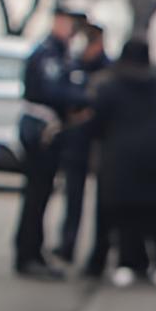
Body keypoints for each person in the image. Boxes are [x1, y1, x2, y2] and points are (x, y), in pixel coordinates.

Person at [87, 37, 156, 287]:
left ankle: (127, 263)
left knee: (126, 214)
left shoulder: (111, 87)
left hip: (120, 160)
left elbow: (96, 123)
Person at [12, 8, 87, 279]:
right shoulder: (47, 54)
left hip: (50, 131)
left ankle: (33, 249)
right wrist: (83, 97)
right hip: (40, 131)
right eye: (68, 24)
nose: (72, 31)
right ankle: (27, 253)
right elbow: (53, 89)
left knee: (42, 194)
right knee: (35, 195)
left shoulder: (61, 53)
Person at [55, 21, 107, 269]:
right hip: (76, 142)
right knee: (72, 197)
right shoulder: (75, 65)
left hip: (100, 145)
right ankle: (67, 245)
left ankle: (99, 254)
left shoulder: (107, 70)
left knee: (103, 203)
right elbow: (65, 95)